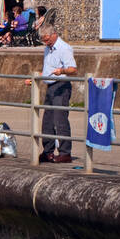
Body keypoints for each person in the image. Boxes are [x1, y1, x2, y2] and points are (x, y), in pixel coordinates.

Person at [24, 25, 77, 163]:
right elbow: (48, 70)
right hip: (50, 86)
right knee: (47, 121)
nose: (45, 42)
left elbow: (73, 69)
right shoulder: (47, 48)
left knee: (60, 120)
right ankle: (48, 151)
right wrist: (36, 78)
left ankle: (65, 153)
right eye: (43, 40)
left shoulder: (64, 48)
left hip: (61, 86)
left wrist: (62, 71)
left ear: (53, 34)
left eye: (46, 39)